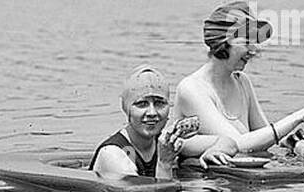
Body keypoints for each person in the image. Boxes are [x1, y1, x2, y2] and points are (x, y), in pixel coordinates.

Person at [173, 0, 304, 157]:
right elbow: (238, 145)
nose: (253, 50)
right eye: (247, 42)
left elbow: (268, 137)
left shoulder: (242, 81)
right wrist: (300, 115)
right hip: (204, 183)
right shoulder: (191, 89)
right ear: (223, 42)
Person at [90, 65, 221, 180]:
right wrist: (165, 163)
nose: (152, 112)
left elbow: (227, 142)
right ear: (127, 109)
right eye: (142, 104)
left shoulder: (164, 143)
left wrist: (213, 151)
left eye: (159, 103)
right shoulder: (114, 155)